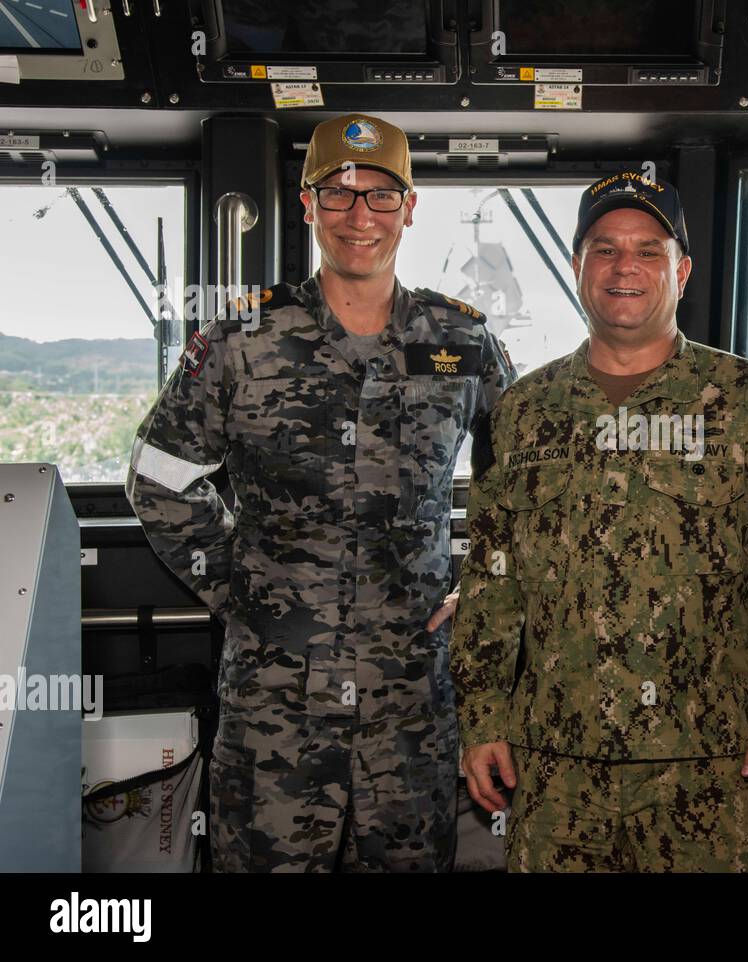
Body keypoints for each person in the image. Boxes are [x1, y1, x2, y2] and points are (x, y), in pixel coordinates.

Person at [127, 113, 516, 871]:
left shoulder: (462, 341)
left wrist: (483, 587)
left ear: (409, 207)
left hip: (409, 702)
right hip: (276, 704)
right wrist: (239, 588)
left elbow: (524, 487)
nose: (358, 216)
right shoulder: (242, 340)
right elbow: (159, 478)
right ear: (307, 204)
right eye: (337, 194)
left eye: (379, 195)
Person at [451, 172, 748, 872]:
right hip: (554, 773)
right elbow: (492, 585)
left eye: (648, 249)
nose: (624, 266)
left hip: (710, 771)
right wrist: (482, 718)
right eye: (603, 249)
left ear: (683, 269)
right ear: (578, 267)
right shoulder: (522, 412)